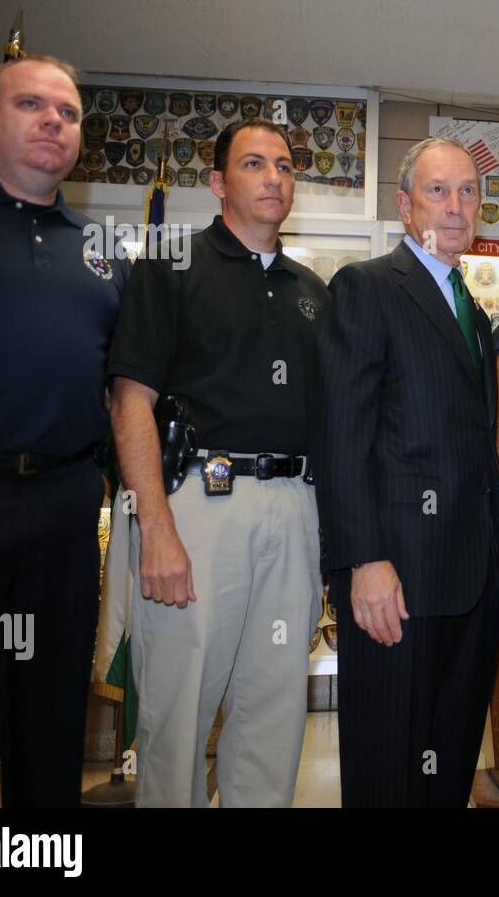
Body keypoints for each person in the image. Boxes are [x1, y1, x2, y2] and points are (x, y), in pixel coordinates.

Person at [107, 117, 326, 807]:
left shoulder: (314, 293)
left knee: (274, 714)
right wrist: (158, 528)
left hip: (295, 506)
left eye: (285, 167)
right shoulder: (170, 264)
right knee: (177, 715)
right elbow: (130, 401)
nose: (274, 178)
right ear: (217, 182)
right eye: (256, 164)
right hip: (199, 504)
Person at [0, 55, 129, 807]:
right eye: (32, 105)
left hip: (64, 513)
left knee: (49, 729)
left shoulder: (100, 251)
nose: (54, 121)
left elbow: (123, 386)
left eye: (69, 112)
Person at [315, 137, 499, 807]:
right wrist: (364, 560)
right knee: (388, 768)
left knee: (449, 762)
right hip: (396, 578)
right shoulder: (367, 288)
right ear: (406, 207)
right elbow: (340, 436)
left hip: (471, 583)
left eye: (469, 191)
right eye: (439, 190)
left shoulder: (470, 307)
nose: (457, 205)